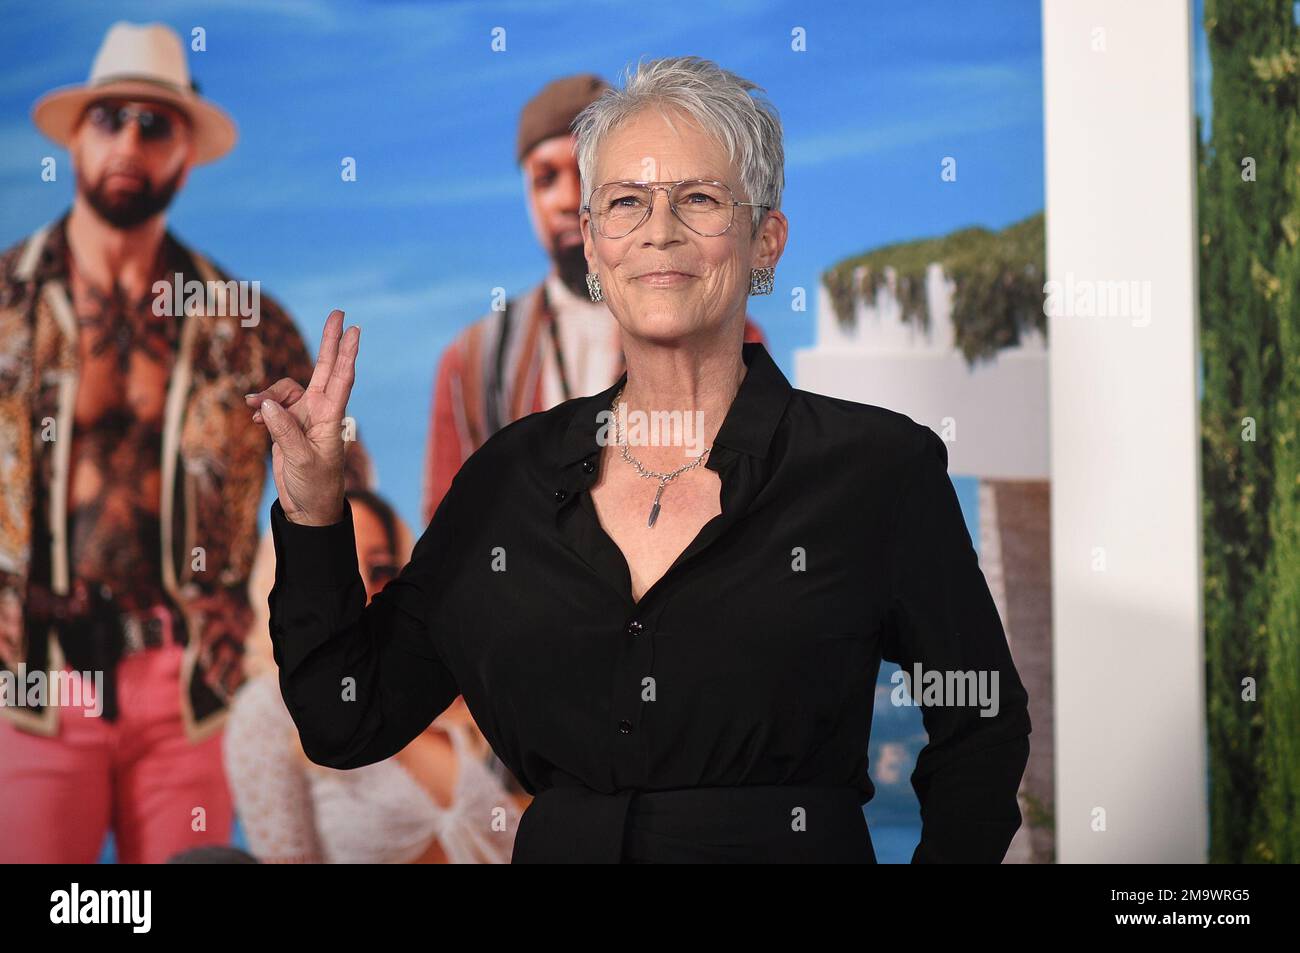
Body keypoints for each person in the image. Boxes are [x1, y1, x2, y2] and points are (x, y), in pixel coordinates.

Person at [250, 56, 1031, 863]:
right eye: (627, 203)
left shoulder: (879, 470)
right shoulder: (504, 482)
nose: (660, 231)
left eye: (698, 198)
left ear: (765, 238)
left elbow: (982, 726)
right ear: (592, 243)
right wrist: (312, 506)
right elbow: (345, 718)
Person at [0, 21, 368, 863]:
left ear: (186, 150)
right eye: (111, 117)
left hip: (192, 686)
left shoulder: (252, 325)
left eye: (155, 122)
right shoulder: (2, 304)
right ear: (78, 134)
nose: (130, 139)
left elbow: (329, 484)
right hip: (32, 685)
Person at [419, 72, 768, 526]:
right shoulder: (473, 360)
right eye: (546, 179)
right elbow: (446, 531)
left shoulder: (728, 331)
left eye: (584, 176)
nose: (567, 199)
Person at [226, 488, 523, 863]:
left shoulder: (436, 705)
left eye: (382, 570)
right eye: (345, 568)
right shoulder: (266, 709)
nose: (364, 587)